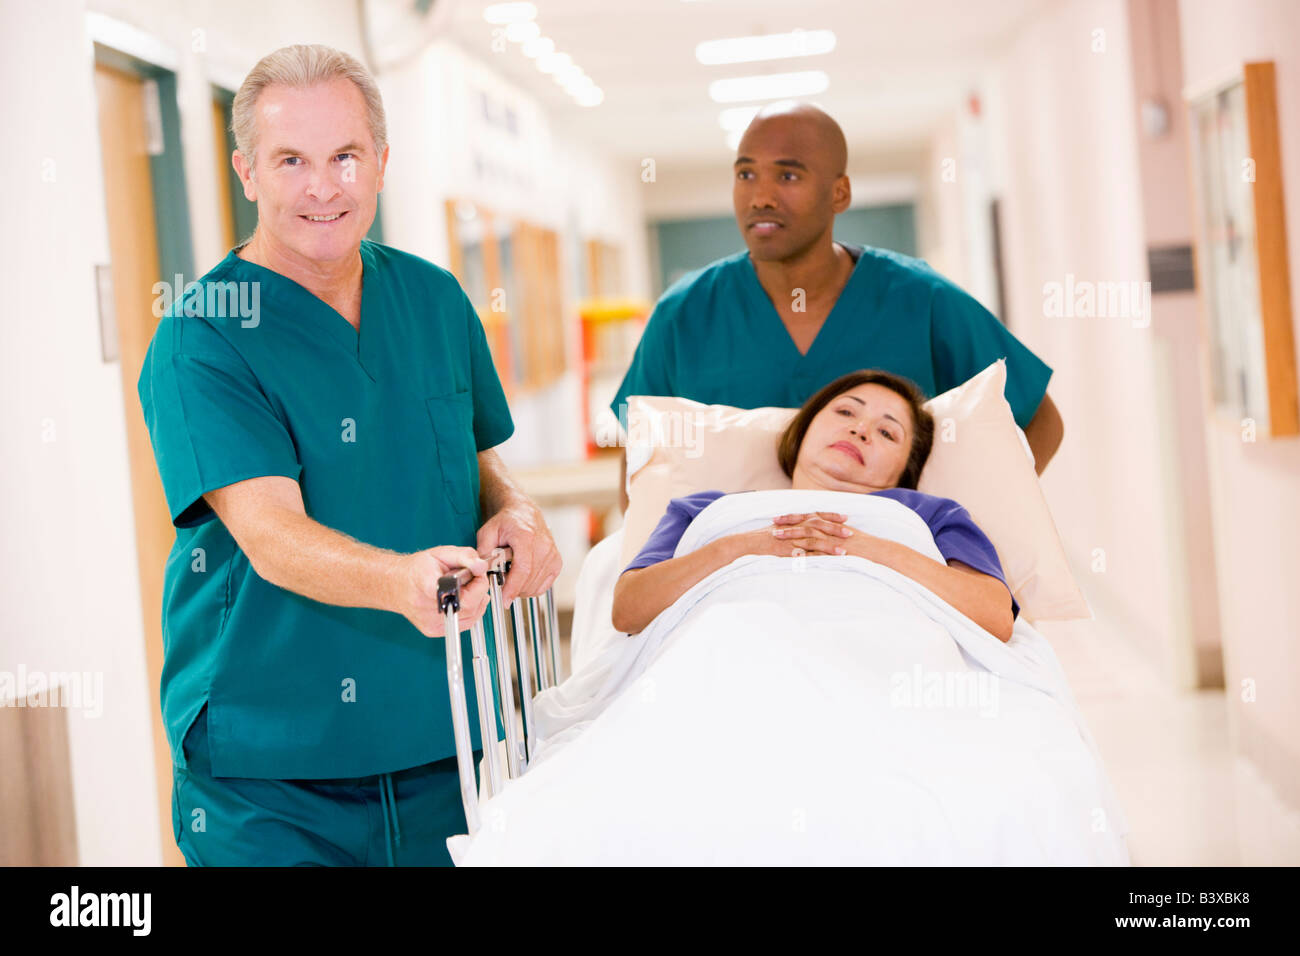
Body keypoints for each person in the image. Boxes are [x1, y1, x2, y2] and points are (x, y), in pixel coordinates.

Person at [137, 44, 561, 866]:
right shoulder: (204, 336)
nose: (322, 187)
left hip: (448, 741)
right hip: (276, 773)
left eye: (344, 157)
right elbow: (270, 534)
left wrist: (515, 508)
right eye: (291, 160)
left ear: (381, 162)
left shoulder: (432, 298)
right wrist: (400, 581)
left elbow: (468, 452)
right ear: (246, 172)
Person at [611, 102, 1063, 509]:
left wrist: (977, 532)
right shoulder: (683, 316)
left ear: (839, 193)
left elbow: (1039, 419)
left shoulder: (921, 301)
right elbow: (637, 460)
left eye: (788, 176)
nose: (760, 196)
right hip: (733, 580)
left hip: (896, 576)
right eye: (746, 174)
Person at [611, 369, 1017, 643]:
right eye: (845, 412)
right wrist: (741, 547)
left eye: (887, 433)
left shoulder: (932, 515)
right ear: (804, 430)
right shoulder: (704, 510)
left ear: (904, 471)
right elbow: (629, 610)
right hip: (732, 648)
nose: (860, 429)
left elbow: (995, 618)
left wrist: (863, 546)